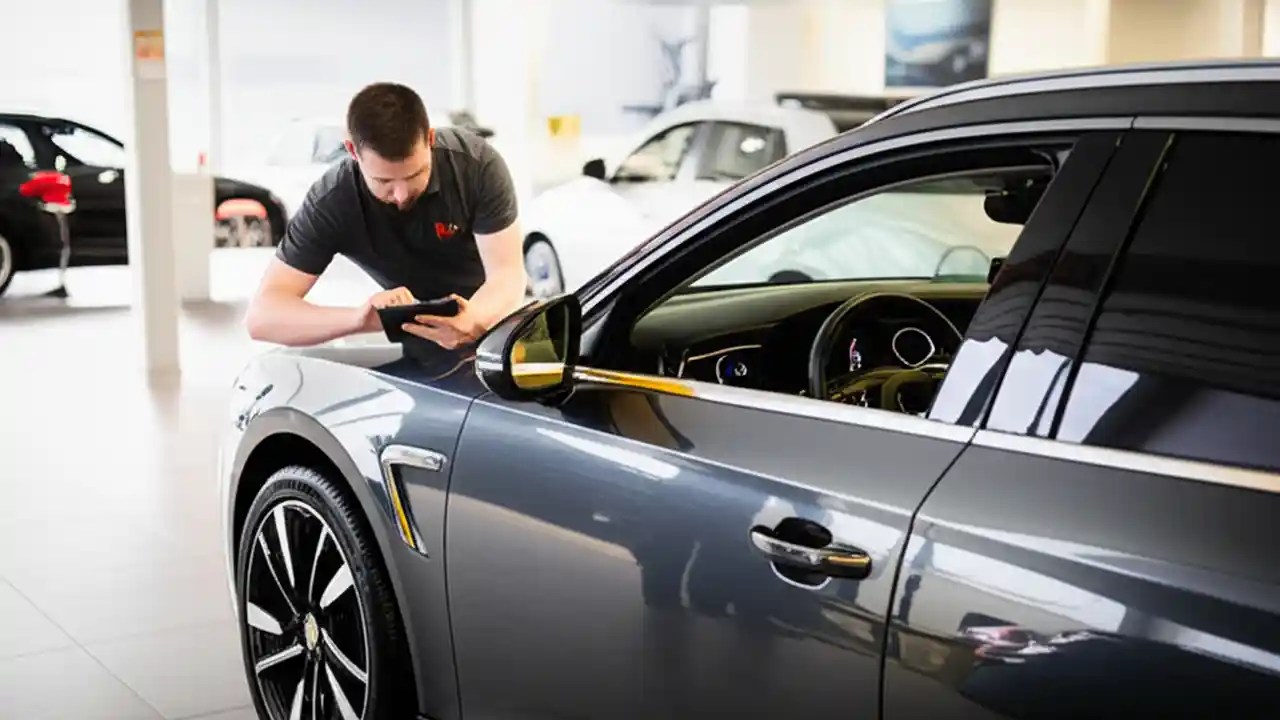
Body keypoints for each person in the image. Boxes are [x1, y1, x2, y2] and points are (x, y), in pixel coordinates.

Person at [244, 82, 526, 349]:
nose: (401, 195)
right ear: (353, 151)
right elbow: (263, 317)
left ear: (430, 138)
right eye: (384, 182)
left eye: (415, 175)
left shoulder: (476, 166)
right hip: (415, 338)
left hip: (495, 323)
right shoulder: (334, 200)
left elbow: (508, 275)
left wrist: (474, 320)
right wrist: (358, 319)